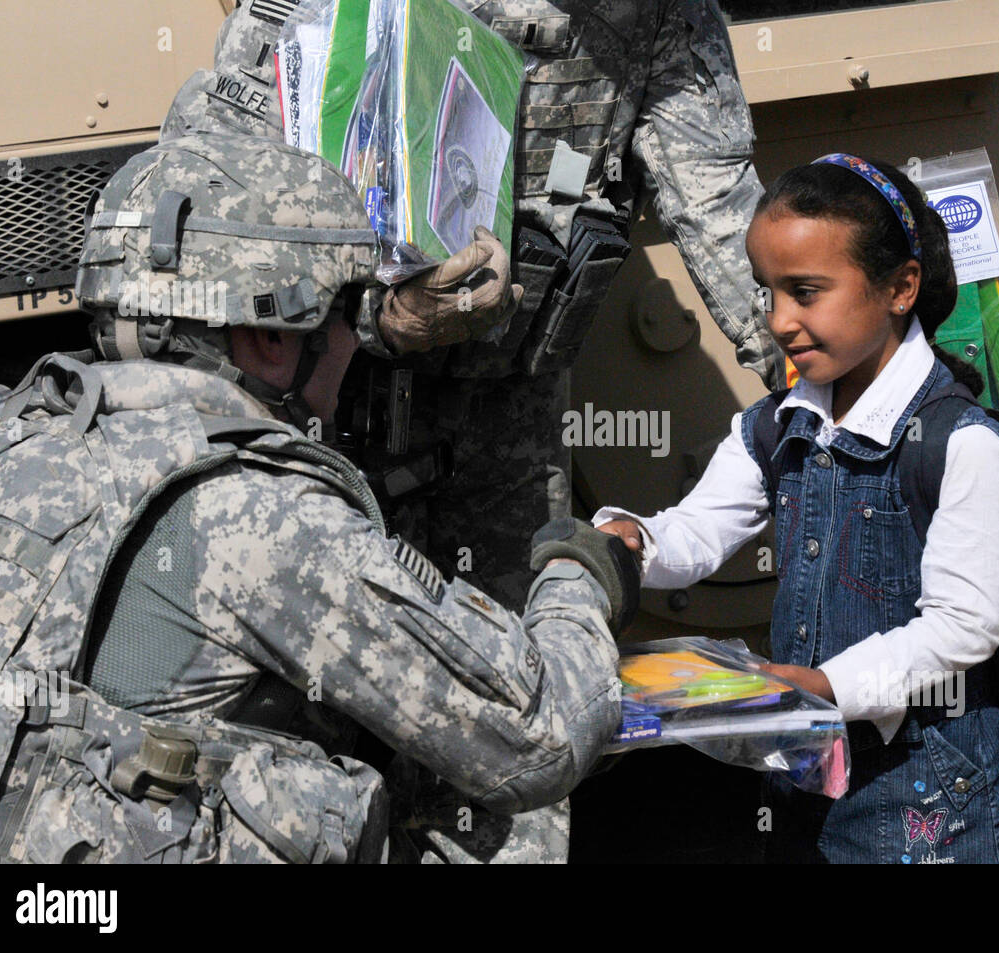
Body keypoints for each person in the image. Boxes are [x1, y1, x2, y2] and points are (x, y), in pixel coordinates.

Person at [160, 0, 779, 863]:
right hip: (317, 421)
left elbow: (729, 220)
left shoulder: (659, 16)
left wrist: (869, 386)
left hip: (508, 436)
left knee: (517, 743)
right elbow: (201, 204)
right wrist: (378, 313)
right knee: (295, 742)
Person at [0, 133, 639, 864]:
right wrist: (582, 572)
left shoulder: (2, 436)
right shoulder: (257, 513)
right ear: (267, 338)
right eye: (350, 311)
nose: (361, 340)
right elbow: (535, 736)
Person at [593, 156, 999, 863]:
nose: (779, 321)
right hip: (811, 787)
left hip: (933, 806)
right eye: (768, 292)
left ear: (900, 288)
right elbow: (700, 530)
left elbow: (963, 629)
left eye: (805, 292)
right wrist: (633, 541)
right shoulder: (778, 425)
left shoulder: (962, 444)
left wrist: (826, 685)